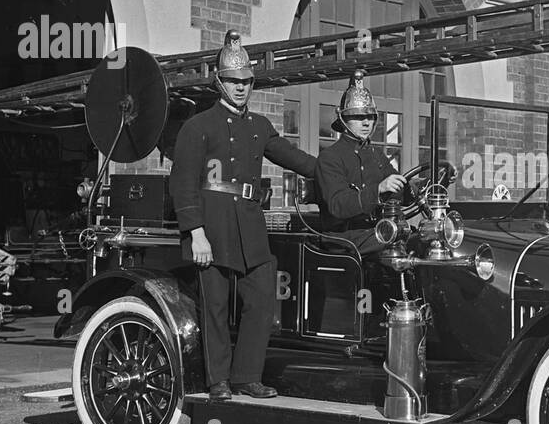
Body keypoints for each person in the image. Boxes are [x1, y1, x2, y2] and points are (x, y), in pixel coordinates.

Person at [169, 30, 318, 402]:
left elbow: (296, 159)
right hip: (212, 224)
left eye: (247, 81)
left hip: (250, 224)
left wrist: (336, 173)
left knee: (263, 301)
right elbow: (183, 183)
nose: (241, 88)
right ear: (219, 81)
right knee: (215, 308)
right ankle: (218, 379)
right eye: (233, 81)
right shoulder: (198, 126)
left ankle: (246, 377)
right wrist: (195, 233)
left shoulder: (259, 126)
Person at [316, 70, 405, 230]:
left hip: (377, 231)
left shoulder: (376, 155)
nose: (366, 123)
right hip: (345, 237)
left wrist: (419, 185)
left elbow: (398, 189)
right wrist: (378, 190)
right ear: (343, 120)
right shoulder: (330, 157)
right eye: (357, 117)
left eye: (370, 117)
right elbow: (338, 205)